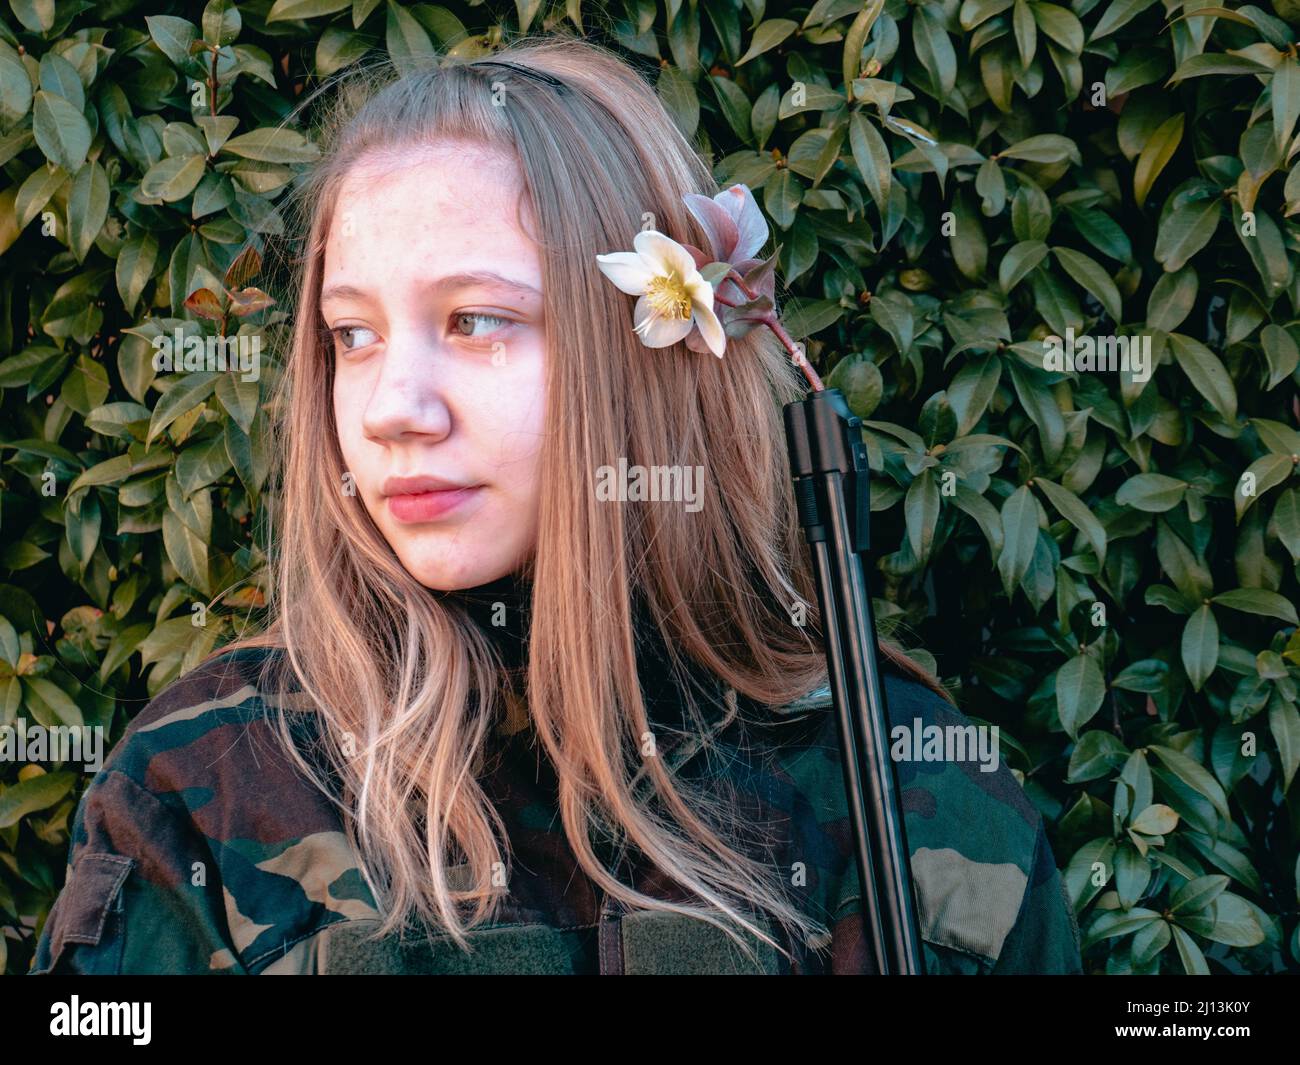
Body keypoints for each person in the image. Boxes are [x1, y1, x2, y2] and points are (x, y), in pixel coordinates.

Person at [30, 36, 1082, 975]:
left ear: (649, 352)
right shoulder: (205, 782)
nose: (396, 408)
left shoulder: (901, 790)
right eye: (354, 335)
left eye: (478, 319)